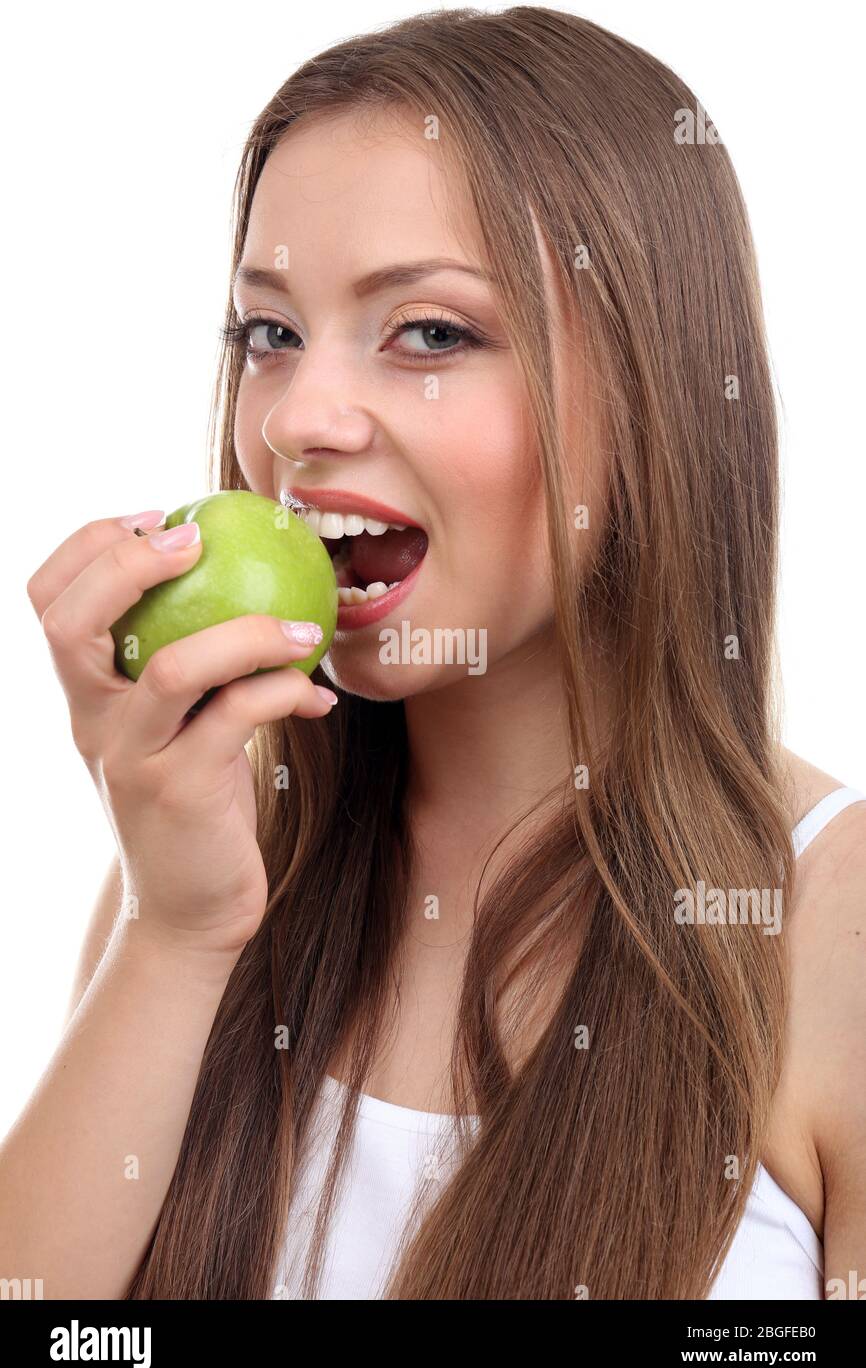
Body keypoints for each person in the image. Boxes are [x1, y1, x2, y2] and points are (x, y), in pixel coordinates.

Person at [4, 6, 864, 1300]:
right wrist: (177, 937)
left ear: (652, 391)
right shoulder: (209, 871)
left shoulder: (831, 928)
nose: (297, 420)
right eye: (269, 334)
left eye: (430, 333)